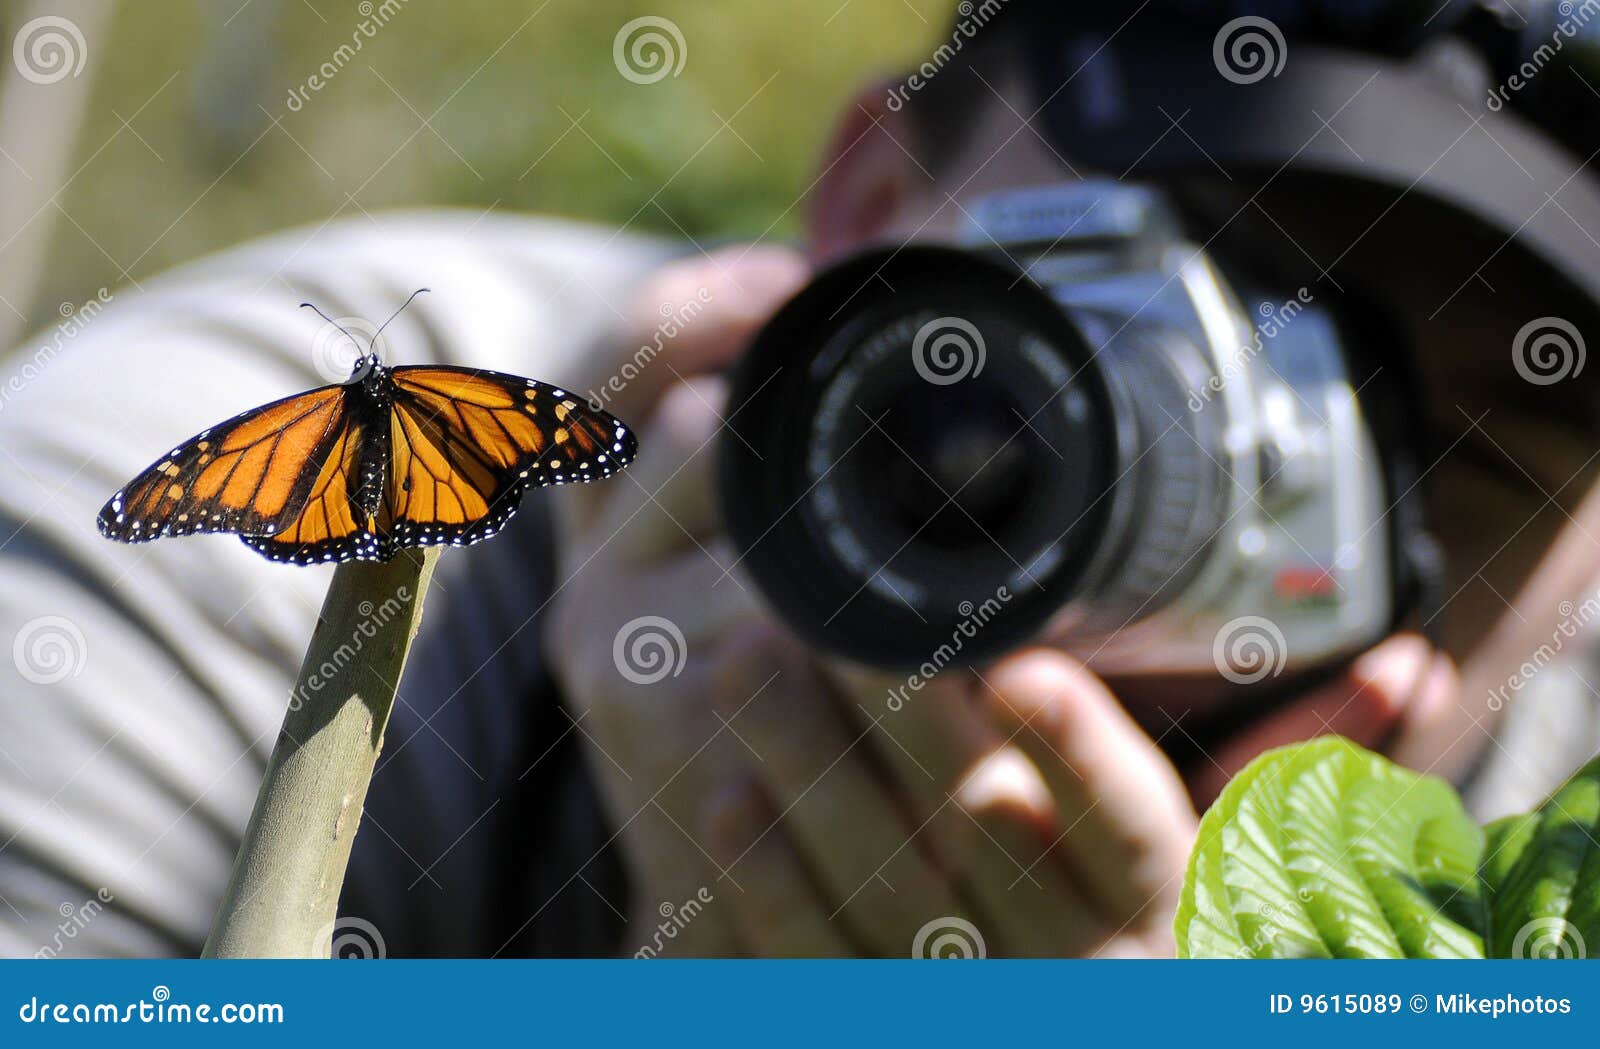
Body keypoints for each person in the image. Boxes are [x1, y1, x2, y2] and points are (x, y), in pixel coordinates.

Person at [2, 4, 1598, 959]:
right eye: (1153, 328)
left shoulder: (1554, 846)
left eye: (1461, 455)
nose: (1240, 477)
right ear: (871, 202)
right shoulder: (179, 578)